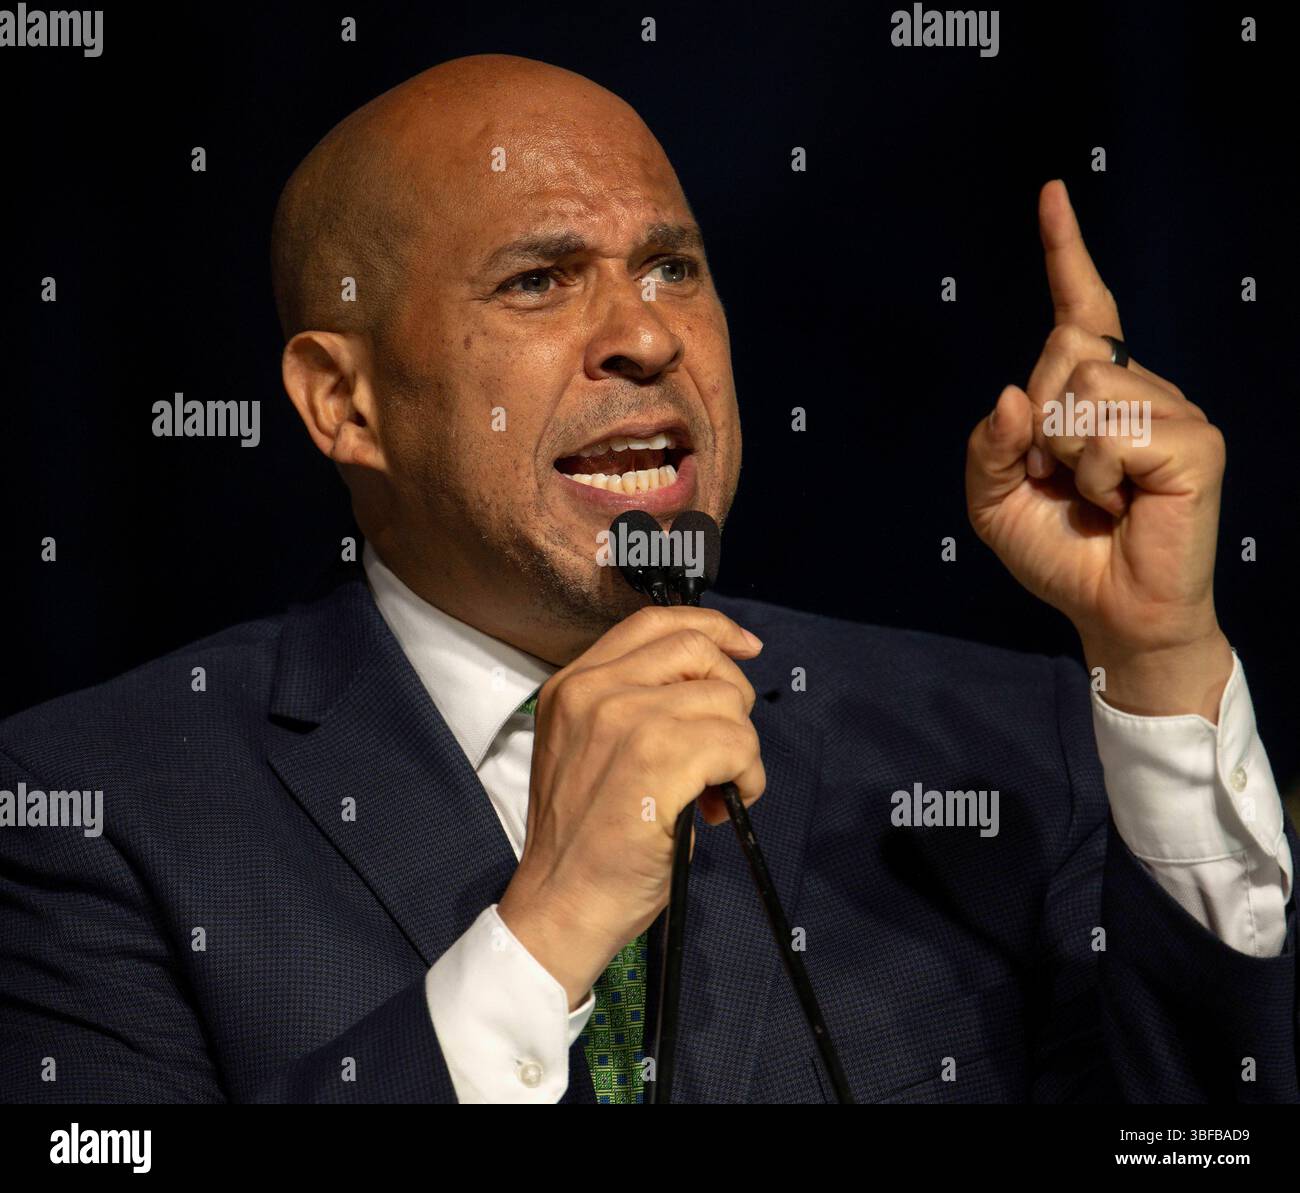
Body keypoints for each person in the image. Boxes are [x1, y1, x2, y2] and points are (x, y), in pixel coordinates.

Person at [0, 54, 1292, 1105]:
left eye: (673, 267)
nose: (648, 334)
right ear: (345, 400)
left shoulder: (1006, 741)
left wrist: (1163, 657)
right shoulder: (95, 804)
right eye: (538, 281)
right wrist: (544, 931)